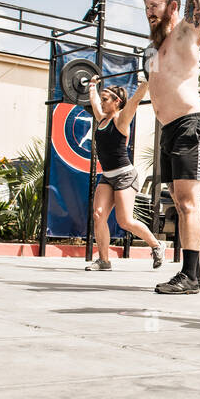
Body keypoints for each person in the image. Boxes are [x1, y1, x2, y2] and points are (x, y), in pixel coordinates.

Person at [135, 0, 200, 294]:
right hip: (169, 130)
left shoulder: (187, 32)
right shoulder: (157, 44)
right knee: (179, 202)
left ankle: (191, 274)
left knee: (187, 202)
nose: (149, 9)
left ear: (172, 8)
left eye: (155, 6)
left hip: (191, 127)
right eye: (147, 6)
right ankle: (193, 275)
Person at [82, 76, 165, 271]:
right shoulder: (102, 118)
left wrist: (145, 83)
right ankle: (104, 261)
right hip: (108, 176)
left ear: (117, 102)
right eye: (102, 99)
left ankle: (156, 245)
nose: (101, 103)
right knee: (98, 214)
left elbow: (135, 101)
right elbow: (93, 100)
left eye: (106, 99)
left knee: (125, 220)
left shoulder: (121, 118)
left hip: (125, 176)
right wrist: (92, 85)